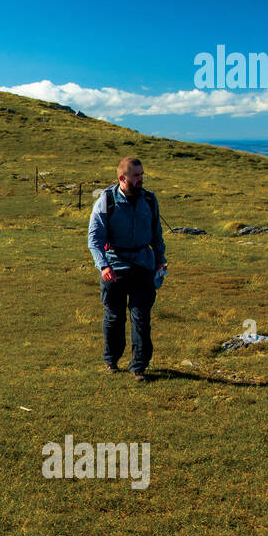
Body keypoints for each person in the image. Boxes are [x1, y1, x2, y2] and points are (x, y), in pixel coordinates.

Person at [87, 157, 167, 382]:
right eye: (136, 175)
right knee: (114, 316)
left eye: (142, 174)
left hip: (144, 265)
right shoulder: (106, 201)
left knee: (141, 316)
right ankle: (111, 361)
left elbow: (156, 233)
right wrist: (103, 265)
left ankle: (138, 367)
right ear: (122, 178)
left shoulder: (150, 200)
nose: (141, 179)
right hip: (114, 267)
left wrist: (160, 259)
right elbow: (94, 238)